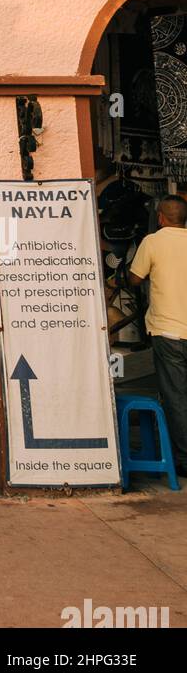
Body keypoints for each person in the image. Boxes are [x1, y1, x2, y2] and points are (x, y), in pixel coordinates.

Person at [129, 195, 187, 474]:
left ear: (161, 218)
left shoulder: (153, 241)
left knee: (176, 395)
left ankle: (184, 460)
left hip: (169, 331)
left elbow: (135, 278)